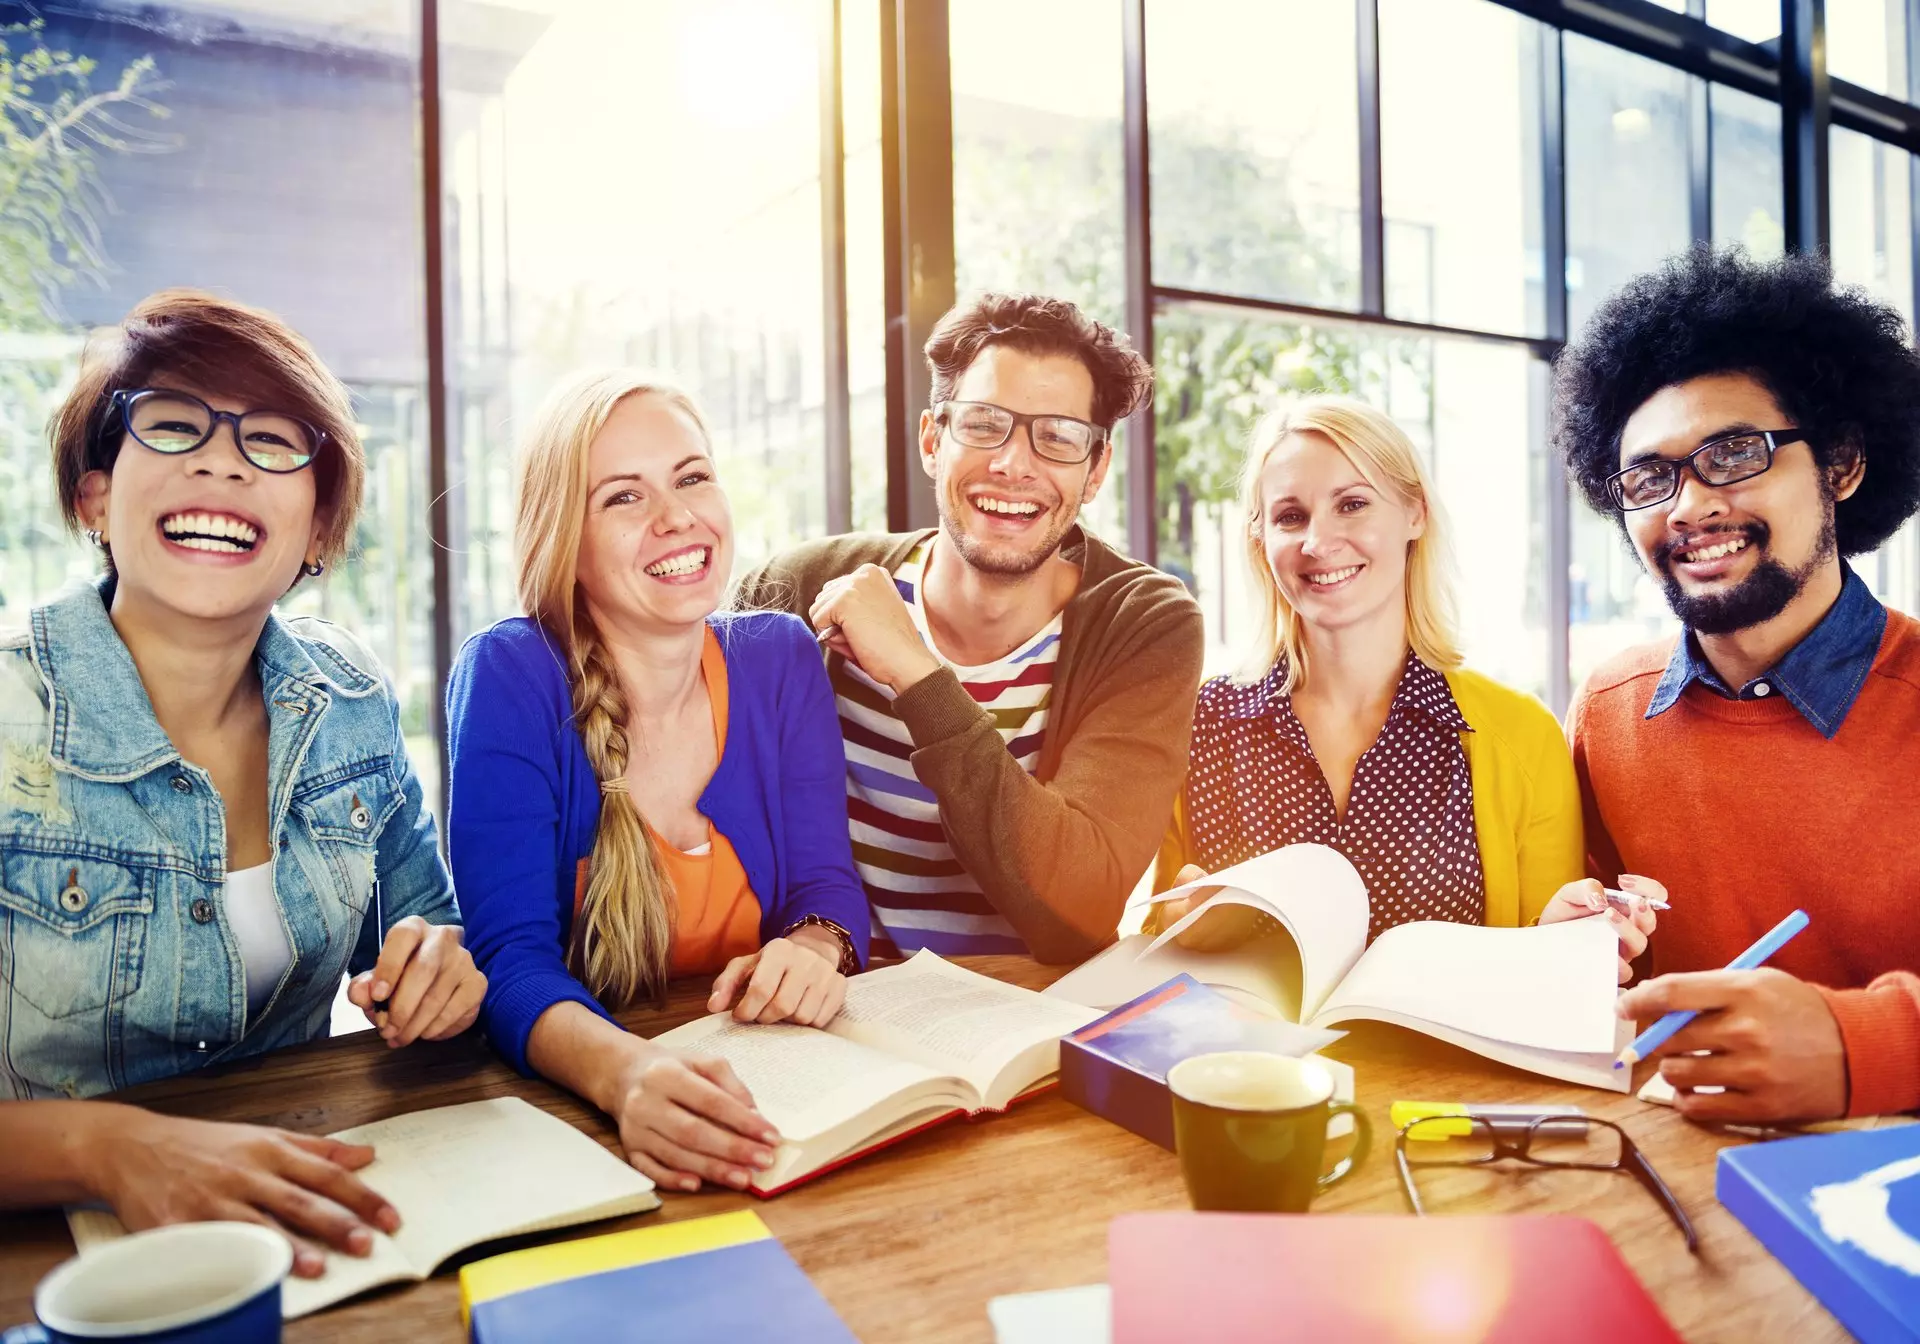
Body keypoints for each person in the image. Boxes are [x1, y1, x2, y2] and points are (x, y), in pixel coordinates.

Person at [0, 290, 482, 1276]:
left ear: (317, 530)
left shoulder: (348, 698)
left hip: (309, 1217)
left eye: (271, 441)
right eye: (173, 426)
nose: (220, 461)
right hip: (52, 1259)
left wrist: (437, 966)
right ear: (96, 496)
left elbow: (429, 924)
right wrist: (109, 1147)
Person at [447, 370, 871, 1195]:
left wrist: (816, 948)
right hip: (580, 1124)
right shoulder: (509, 676)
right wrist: (626, 1077)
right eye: (624, 498)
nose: (677, 517)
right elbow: (508, 962)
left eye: (692, 477)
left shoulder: (779, 657)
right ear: (563, 540)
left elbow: (826, 882)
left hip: (778, 1099)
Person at [1556, 246, 1920, 1124]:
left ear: (1841, 463)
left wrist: (1860, 1044)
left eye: (1734, 453)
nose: (1688, 506)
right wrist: (1570, 947)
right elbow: (1600, 969)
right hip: (1676, 1187)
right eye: (1650, 476)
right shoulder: (1610, 712)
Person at [733, 293, 1205, 963]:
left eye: (1060, 437)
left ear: (1096, 471)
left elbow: (1079, 912)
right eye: (985, 424)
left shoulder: (1143, 623)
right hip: (824, 1015)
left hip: (1023, 1032)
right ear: (933, 440)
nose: (1014, 464)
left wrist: (917, 674)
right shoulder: (796, 591)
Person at [1150, 396, 1659, 979]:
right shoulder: (1199, 723)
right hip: (1248, 1068)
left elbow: (1541, 963)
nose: (1318, 541)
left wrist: (1570, 946)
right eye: (1290, 516)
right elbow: (1154, 942)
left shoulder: (1520, 737)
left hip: (1441, 1073)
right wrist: (1177, 928)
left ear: (1414, 513)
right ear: (1260, 538)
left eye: (1353, 504)